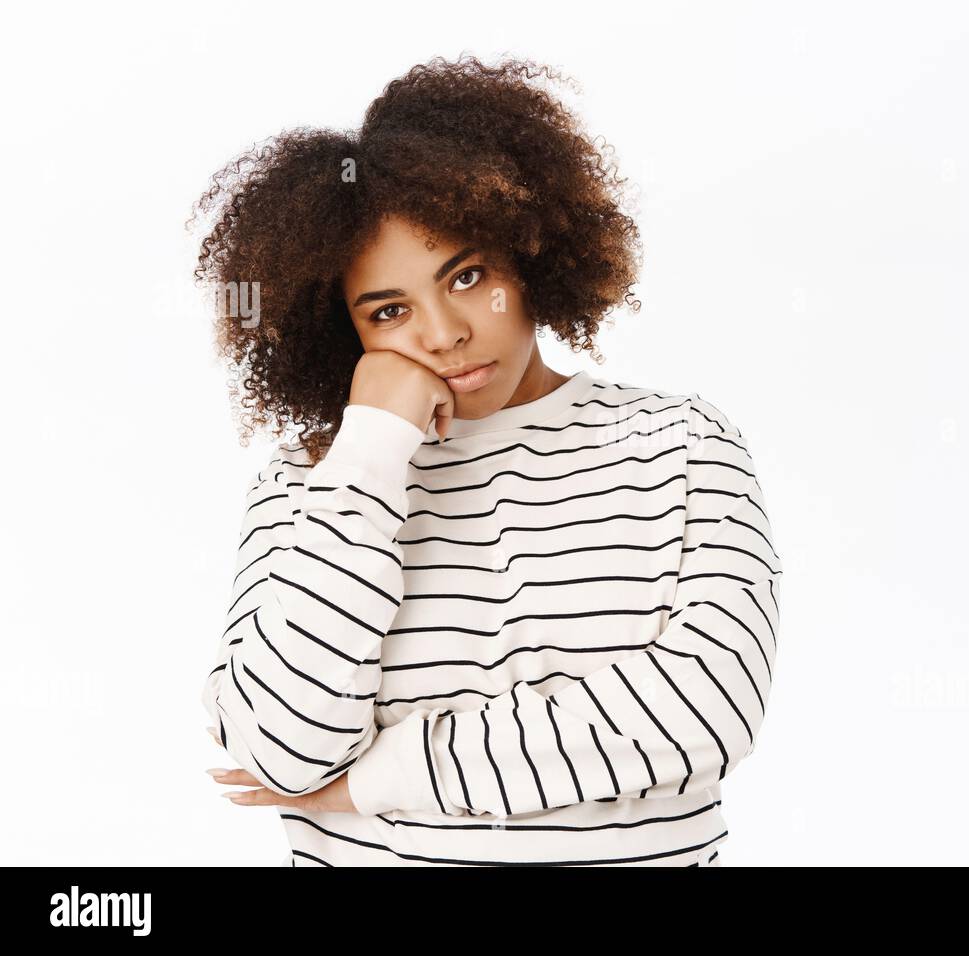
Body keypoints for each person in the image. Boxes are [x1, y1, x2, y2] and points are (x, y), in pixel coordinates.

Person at [193, 55, 781, 867]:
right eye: (389, 310)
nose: (442, 332)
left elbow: (704, 714)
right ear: (344, 332)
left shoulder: (678, 445)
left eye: (466, 276)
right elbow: (281, 751)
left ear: (530, 252)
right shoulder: (315, 484)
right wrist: (369, 449)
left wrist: (377, 780)